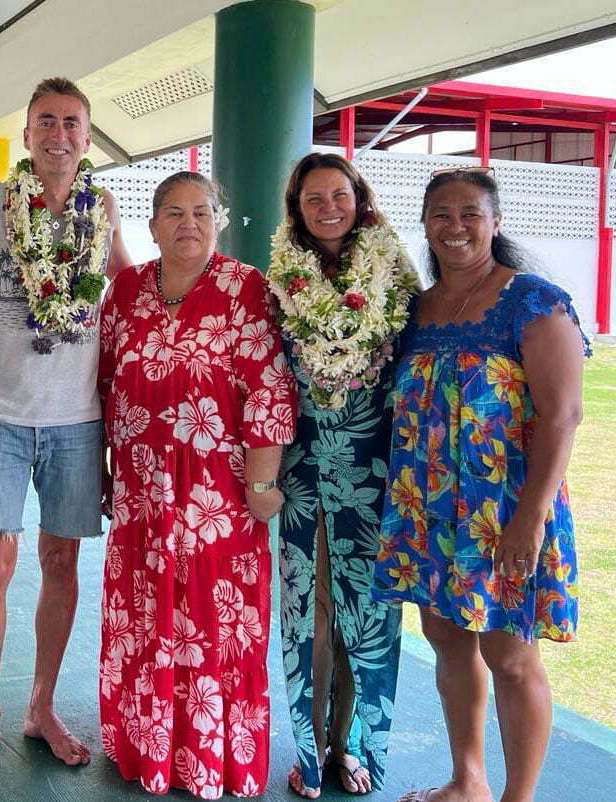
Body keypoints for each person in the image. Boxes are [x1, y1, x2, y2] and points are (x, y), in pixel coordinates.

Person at [0, 76, 132, 781]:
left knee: (60, 564)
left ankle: (41, 707)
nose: (58, 134)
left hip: (78, 421)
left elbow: (132, 290)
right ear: (26, 135)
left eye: (71, 122)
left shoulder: (103, 206)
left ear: (86, 136)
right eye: (44, 121)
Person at [373, 168, 587, 802]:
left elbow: (562, 416)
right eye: (441, 214)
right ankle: (468, 781)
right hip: (429, 505)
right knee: (446, 640)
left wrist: (531, 517)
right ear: (425, 225)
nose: (456, 227)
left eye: (470, 213)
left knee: (510, 656)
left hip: (505, 512)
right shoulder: (416, 310)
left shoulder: (532, 300)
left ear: (495, 222)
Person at [97, 171, 297, 798]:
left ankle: (210, 755)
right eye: (174, 213)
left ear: (220, 220)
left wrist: (263, 483)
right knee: (144, 616)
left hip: (219, 494)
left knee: (212, 617)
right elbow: (104, 382)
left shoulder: (246, 288)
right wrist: (107, 469)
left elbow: (268, 388)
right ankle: (145, 743)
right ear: (151, 225)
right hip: (139, 492)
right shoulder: (126, 290)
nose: (189, 224)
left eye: (202, 212)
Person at [266, 153, 417, 797]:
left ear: (359, 196)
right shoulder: (280, 281)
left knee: (370, 610)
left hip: (374, 466)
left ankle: (352, 743)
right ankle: (310, 744)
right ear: (296, 211)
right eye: (312, 199)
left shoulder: (396, 276)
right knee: (310, 607)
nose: (328, 207)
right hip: (303, 467)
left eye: (339, 194)